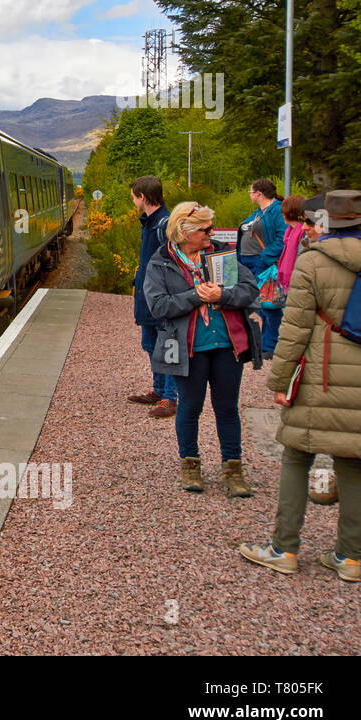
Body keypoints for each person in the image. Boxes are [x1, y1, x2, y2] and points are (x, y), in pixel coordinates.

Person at [240, 189, 361, 582]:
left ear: (324, 225)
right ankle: (350, 558)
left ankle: (284, 549)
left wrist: (280, 382)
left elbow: (295, 332)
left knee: (297, 457)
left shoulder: (313, 264)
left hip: (322, 375)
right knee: (353, 461)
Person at [144, 201, 261, 496]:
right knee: (190, 406)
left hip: (226, 345)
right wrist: (196, 296)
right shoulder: (160, 262)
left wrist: (223, 294)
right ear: (184, 231)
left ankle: (233, 470)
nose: (211, 232)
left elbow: (249, 291)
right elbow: (158, 306)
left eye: (210, 227)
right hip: (187, 349)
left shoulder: (223, 253)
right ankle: (190, 466)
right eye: (205, 228)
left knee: (226, 409)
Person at [127, 176, 177, 418]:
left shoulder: (164, 225)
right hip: (147, 296)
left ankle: (171, 396)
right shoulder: (150, 223)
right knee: (150, 344)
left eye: (134, 197)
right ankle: (158, 390)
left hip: (161, 298)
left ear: (143, 197)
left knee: (167, 345)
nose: (133, 201)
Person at [237, 179, 286, 357]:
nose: (250, 195)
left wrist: (265, 258)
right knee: (256, 302)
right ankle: (267, 341)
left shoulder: (277, 210)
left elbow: (282, 237)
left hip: (261, 262)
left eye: (251, 192)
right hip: (248, 262)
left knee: (268, 303)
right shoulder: (260, 212)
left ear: (259, 193)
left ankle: (270, 344)